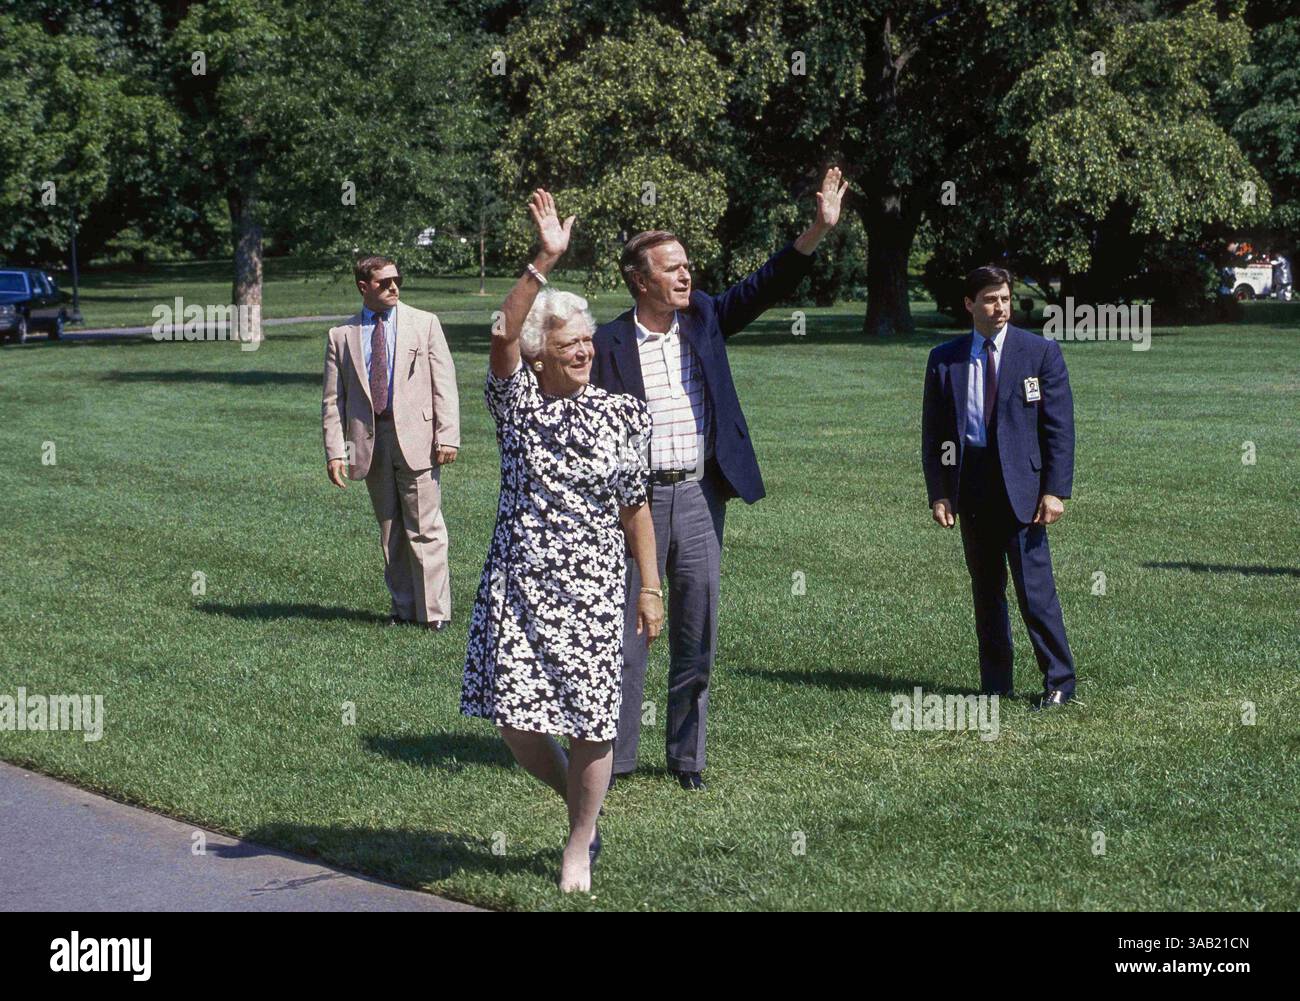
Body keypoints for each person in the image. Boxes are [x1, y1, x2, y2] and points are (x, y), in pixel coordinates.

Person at [592, 166, 848, 789]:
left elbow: (763, 287)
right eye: (672, 268)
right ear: (638, 280)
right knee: (628, 636)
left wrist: (817, 228)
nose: (686, 275)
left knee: (695, 632)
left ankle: (686, 760)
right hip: (635, 504)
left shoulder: (704, 318)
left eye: (687, 265)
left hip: (702, 495)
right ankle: (617, 762)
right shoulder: (606, 344)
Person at [460, 189, 664, 893]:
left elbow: (634, 505)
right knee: (516, 720)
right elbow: (497, 333)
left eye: (588, 341)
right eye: (569, 342)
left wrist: (650, 584)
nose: (583, 350)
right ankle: (578, 804)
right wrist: (543, 262)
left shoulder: (621, 414)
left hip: (593, 585)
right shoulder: (515, 405)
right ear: (540, 350)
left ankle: (579, 841)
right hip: (518, 580)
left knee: (590, 719)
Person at [921, 265, 1078, 707]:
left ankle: (1060, 682)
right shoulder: (945, 359)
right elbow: (934, 435)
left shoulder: (1039, 353)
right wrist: (939, 492)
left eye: (1005, 298)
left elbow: (1058, 429)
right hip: (971, 484)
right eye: (990, 299)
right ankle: (995, 684)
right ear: (969, 304)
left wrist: (1054, 490)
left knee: (1035, 590)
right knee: (986, 591)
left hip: (1023, 488)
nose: (1001, 307)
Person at [322, 256, 459, 629]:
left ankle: (434, 614)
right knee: (391, 530)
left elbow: (443, 383)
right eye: (384, 283)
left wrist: (448, 435)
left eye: (397, 280)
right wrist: (335, 451)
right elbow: (334, 400)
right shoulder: (341, 336)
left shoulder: (424, 323)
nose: (394, 287)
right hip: (369, 442)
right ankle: (403, 609)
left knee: (425, 527)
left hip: (419, 438)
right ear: (363, 287)